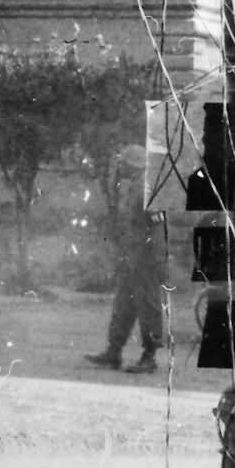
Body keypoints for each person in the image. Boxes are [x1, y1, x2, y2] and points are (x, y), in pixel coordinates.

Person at [87, 144, 168, 374]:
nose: (119, 166)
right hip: (131, 256)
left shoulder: (148, 188)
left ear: (132, 166)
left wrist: (157, 259)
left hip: (146, 258)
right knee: (123, 304)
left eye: (123, 163)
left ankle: (149, 356)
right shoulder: (132, 186)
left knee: (148, 306)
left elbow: (159, 227)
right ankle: (113, 352)